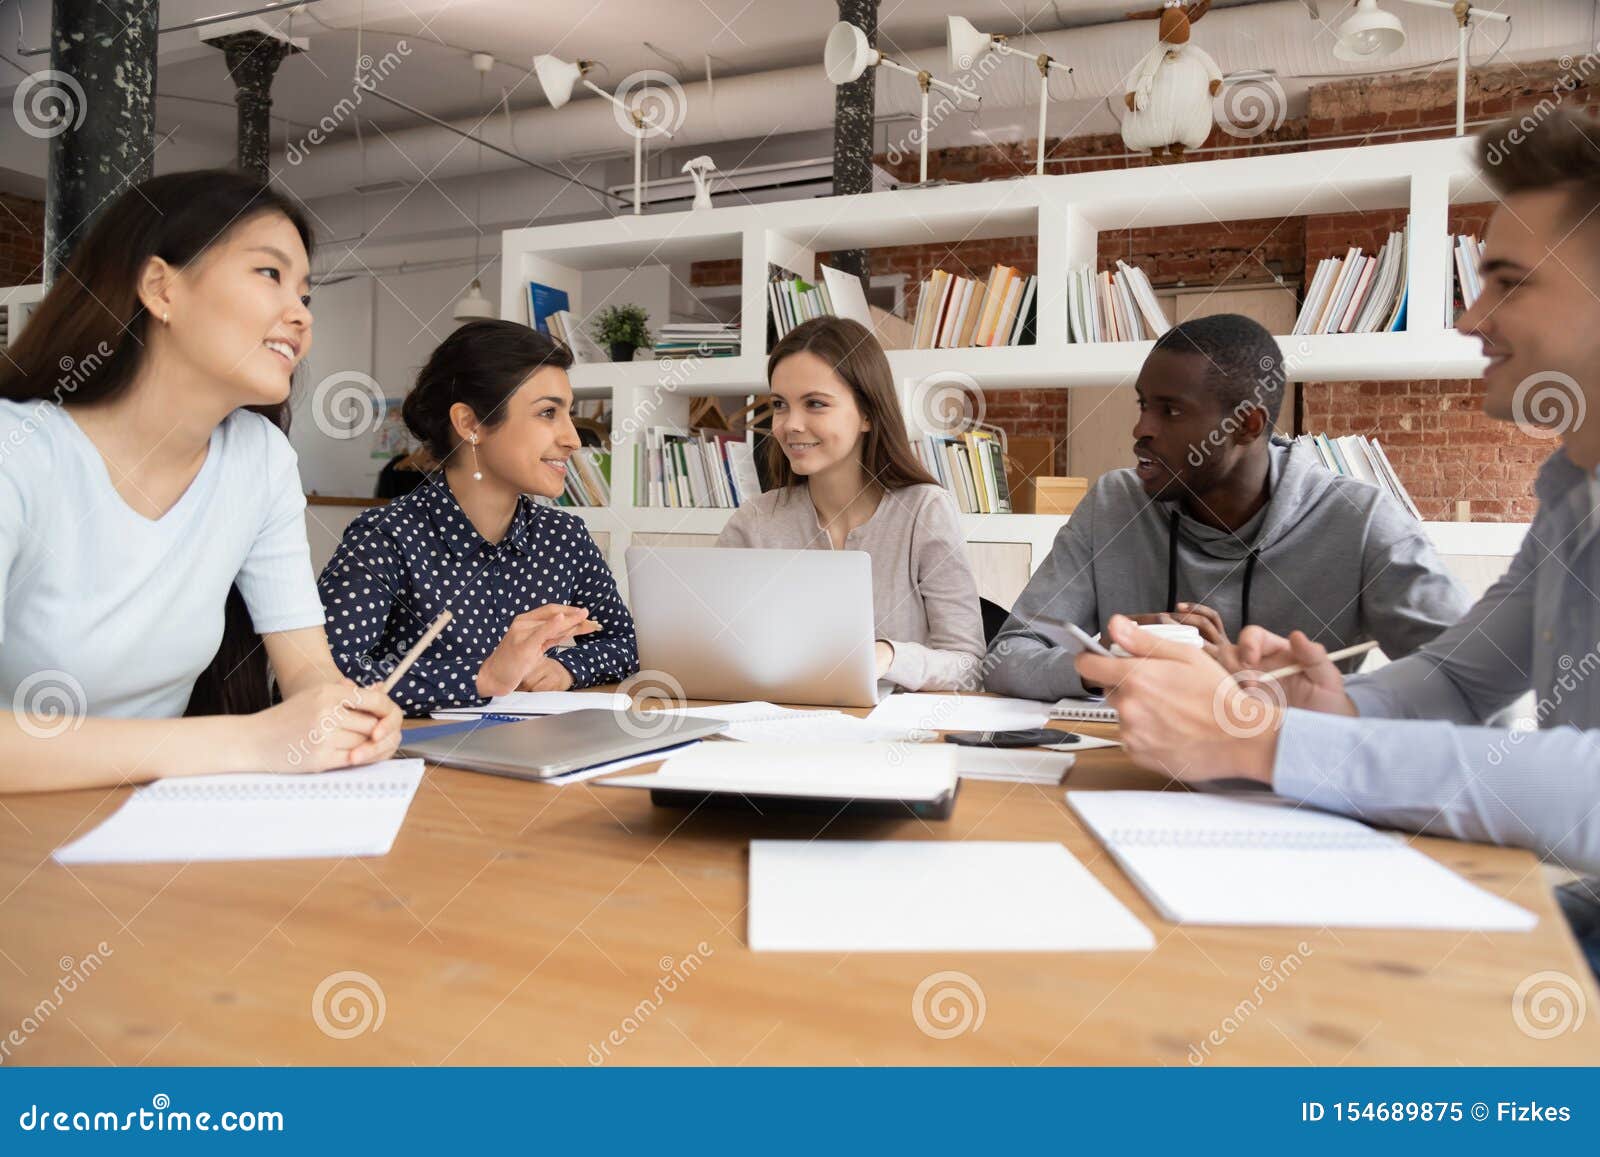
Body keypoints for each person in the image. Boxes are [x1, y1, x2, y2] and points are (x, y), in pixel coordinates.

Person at [1074, 110, 1600, 975]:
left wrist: (1261, 741)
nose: (1472, 318)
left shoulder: (1359, 514)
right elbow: (1462, 675)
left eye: (1509, 282)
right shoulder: (1571, 488)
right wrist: (1338, 711)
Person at [0, 171, 403, 791]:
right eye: (270, 275)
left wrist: (341, 714)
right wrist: (250, 740)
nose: (299, 316)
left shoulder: (260, 457)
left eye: (306, 295)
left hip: (147, 826)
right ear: (161, 287)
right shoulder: (18, 450)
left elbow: (306, 666)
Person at [986, 313, 1469, 701]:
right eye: (1142, 406)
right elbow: (1005, 657)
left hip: (1290, 792)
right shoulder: (1113, 504)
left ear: (1246, 425)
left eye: (1170, 411)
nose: (1141, 429)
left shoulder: (1361, 522)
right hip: (1131, 775)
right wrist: (1111, 663)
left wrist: (1291, 693)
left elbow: (1472, 686)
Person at [319, 320, 637, 715]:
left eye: (568, 413)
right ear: (470, 424)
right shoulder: (386, 538)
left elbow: (623, 642)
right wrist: (482, 676)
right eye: (548, 413)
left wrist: (563, 669)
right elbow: (327, 677)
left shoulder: (564, 537)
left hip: (533, 753)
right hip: (416, 763)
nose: (572, 438)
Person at [716, 316, 984, 691]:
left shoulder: (924, 511)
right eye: (779, 404)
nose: (790, 424)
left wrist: (888, 655)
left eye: (815, 404)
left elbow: (969, 667)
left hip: (897, 739)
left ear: (868, 414)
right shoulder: (754, 521)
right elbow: (711, 648)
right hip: (775, 726)